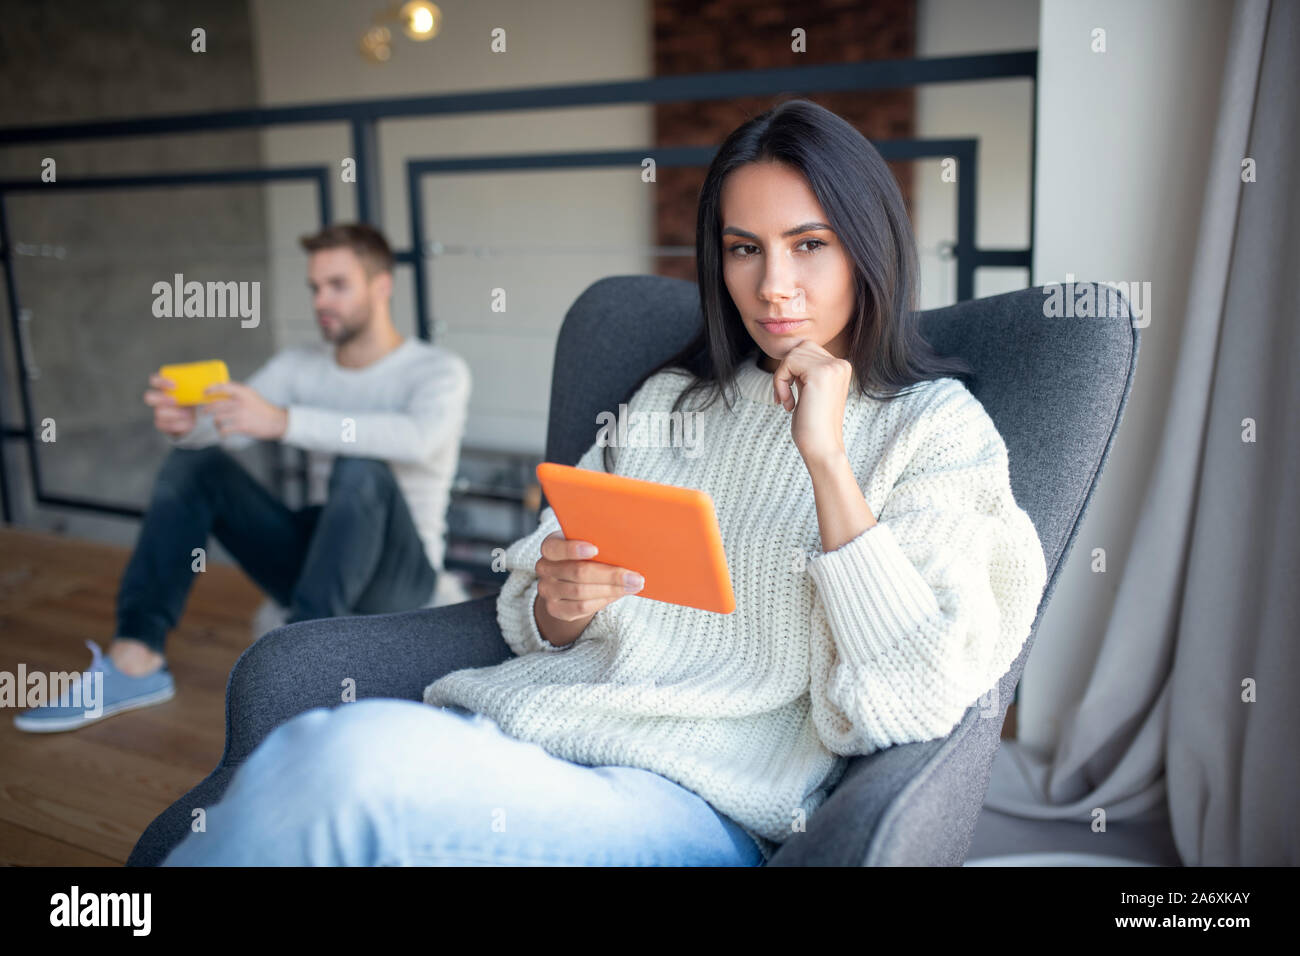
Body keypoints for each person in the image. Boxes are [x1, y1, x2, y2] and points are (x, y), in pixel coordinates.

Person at [158, 99, 1047, 866]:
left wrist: (826, 460)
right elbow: (525, 610)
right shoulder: (670, 400)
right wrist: (560, 606)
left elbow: (918, 694)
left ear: (867, 245)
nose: (773, 286)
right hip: (533, 740)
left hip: (694, 806)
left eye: (808, 244)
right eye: (744, 249)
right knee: (308, 751)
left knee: (343, 773)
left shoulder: (934, 429)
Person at [14, 223, 472, 733]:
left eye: (337, 285)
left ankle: (298, 669)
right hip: (323, 556)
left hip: (401, 579)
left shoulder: (438, 371)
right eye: (315, 287)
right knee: (197, 464)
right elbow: (230, 426)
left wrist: (284, 420)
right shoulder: (299, 364)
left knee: (359, 465)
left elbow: (418, 438)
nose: (322, 300)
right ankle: (134, 659)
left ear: (381, 285)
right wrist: (191, 427)